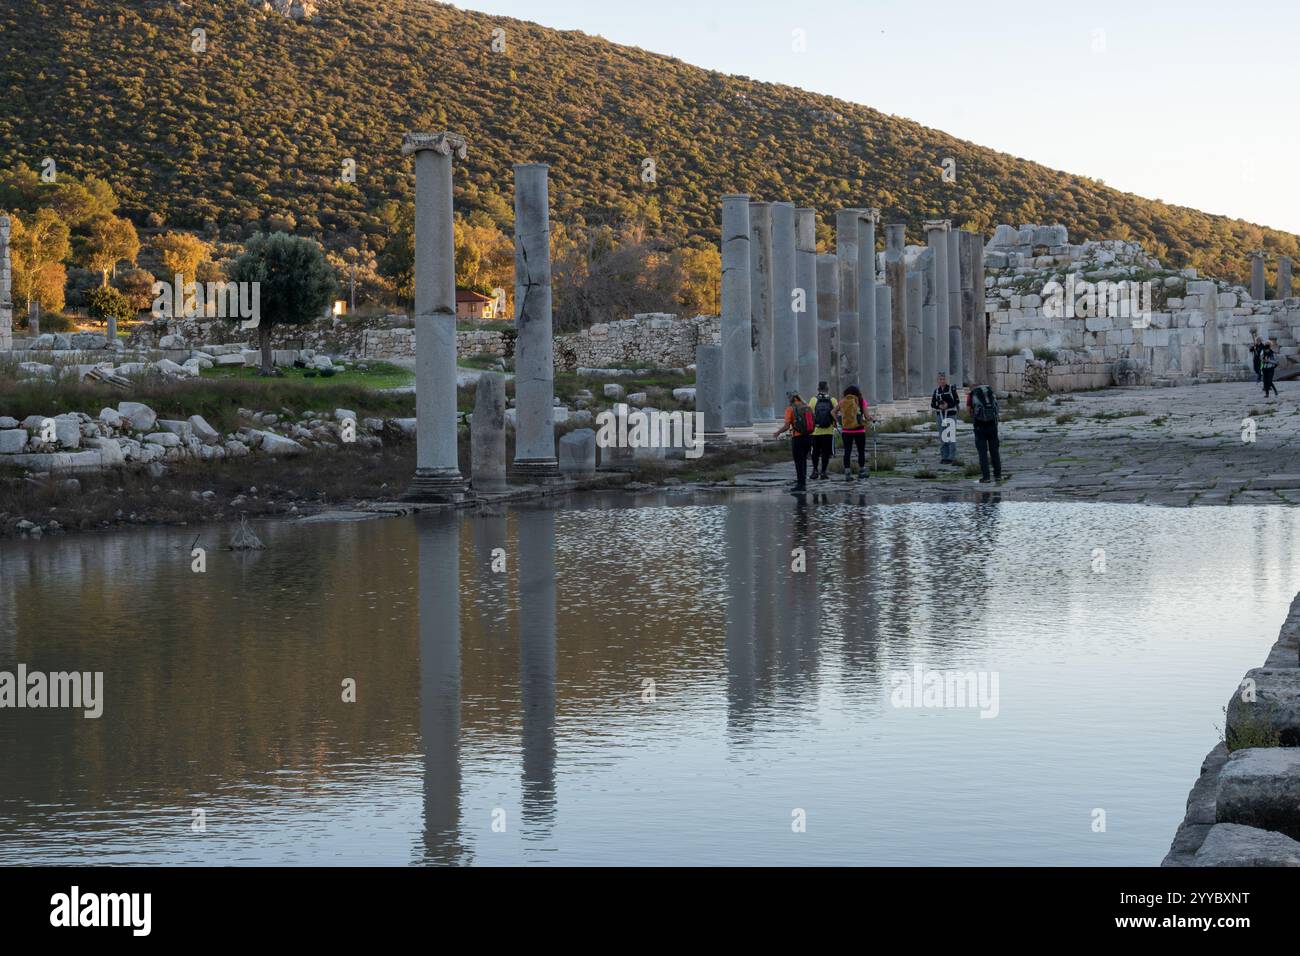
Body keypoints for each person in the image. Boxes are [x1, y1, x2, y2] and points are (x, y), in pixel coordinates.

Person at [774, 390, 815, 492]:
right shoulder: (807, 407)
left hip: (797, 438)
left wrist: (778, 432)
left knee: (798, 462)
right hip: (809, 437)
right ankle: (803, 481)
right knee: (804, 460)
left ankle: (800, 484)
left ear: (790, 399)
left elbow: (787, 426)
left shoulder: (790, 409)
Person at [966, 382, 1005, 484]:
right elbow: (996, 408)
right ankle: (998, 475)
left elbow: (969, 410)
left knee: (982, 453)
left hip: (980, 427)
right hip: (992, 426)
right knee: (994, 451)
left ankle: (986, 477)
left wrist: (974, 417)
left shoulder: (972, 395)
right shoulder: (990, 393)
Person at [835, 384, 869, 482]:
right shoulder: (862, 401)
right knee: (861, 451)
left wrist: (838, 421)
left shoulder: (842, 402)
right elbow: (866, 416)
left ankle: (847, 473)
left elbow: (833, 412)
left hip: (846, 430)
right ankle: (861, 472)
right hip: (859, 430)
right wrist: (871, 419)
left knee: (847, 452)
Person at [930, 372, 961, 464]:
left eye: (943, 379)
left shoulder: (951, 389)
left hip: (950, 414)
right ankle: (944, 456)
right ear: (937, 381)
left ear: (946, 380)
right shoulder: (936, 391)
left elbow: (957, 401)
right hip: (940, 415)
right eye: (940, 379)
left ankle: (951, 457)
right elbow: (932, 403)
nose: (942, 381)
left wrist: (948, 405)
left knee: (950, 436)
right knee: (942, 436)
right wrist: (938, 406)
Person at [810, 381, 837, 480]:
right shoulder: (833, 400)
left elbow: (810, 414)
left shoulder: (813, 400)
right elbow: (836, 413)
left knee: (815, 452)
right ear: (827, 389)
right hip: (828, 431)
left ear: (818, 389)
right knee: (826, 453)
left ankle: (815, 470)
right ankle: (823, 472)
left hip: (815, 431)